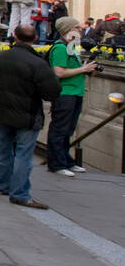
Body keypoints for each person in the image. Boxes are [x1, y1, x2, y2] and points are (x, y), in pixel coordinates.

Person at [0, 24, 62, 208]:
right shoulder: (37, 63)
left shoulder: (2, 57)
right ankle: (20, 193)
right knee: (23, 154)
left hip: (4, 111)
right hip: (27, 114)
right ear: (35, 38)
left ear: (15, 36)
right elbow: (51, 92)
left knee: (1, 149)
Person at [46, 17, 95, 176]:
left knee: (68, 129)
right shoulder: (60, 48)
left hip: (75, 93)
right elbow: (59, 72)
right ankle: (57, 164)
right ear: (67, 29)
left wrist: (86, 69)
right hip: (65, 93)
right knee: (60, 129)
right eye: (77, 27)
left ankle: (66, 160)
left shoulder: (71, 47)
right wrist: (82, 70)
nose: (80, 29)